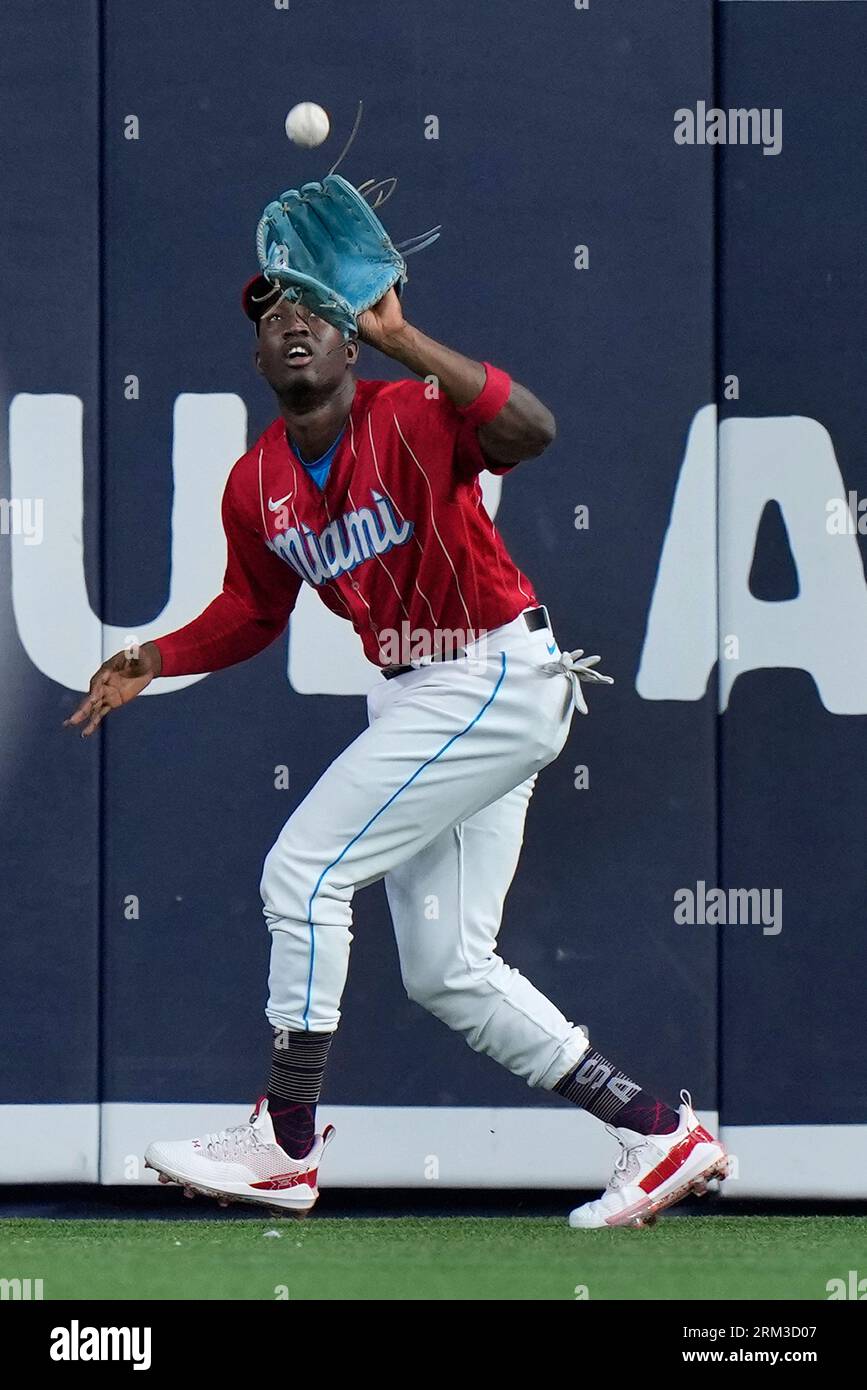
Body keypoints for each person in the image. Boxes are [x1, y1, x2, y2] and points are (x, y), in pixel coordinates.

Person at [66, 276, 726, 1227]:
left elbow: (531, 431)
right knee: (447, 970)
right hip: (419, 696)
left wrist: (408, 340)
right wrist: (155, 655)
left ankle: (284, 1141)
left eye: (312, 312)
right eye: (270, 317)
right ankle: (658, 1131)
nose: (290, 323)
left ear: (350, 346)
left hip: (492, 673)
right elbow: (253, 613)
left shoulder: (412, 410)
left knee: (303, 871)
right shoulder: (256, 484)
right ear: (258, 358)